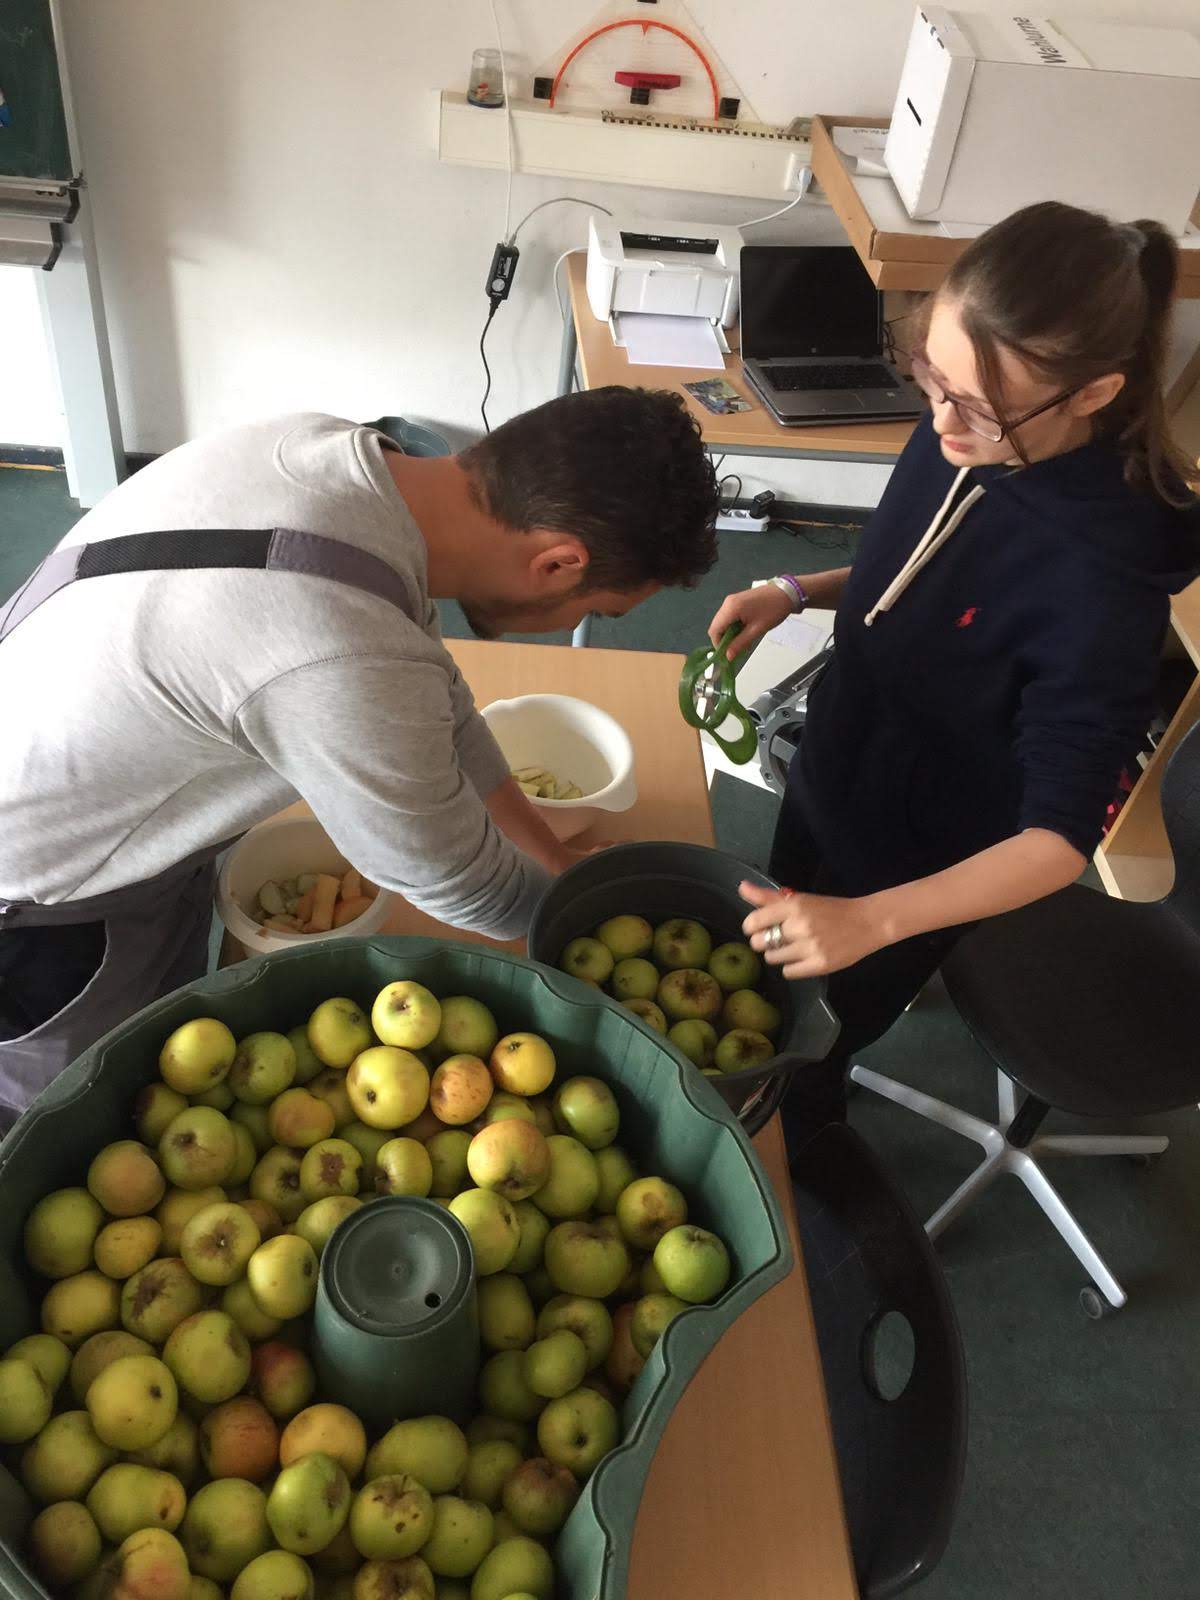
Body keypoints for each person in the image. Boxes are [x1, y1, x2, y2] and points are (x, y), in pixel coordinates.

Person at [0, 386, 718, 1126]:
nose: (581, 621)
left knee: (166, 1066)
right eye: (598, 611)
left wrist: (551, 856)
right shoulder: (335, 644)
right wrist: (586, 939)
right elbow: (446, 874)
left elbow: (435, 694)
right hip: (48, 895)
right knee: (71, 1116)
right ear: (559, 563)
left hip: (104, 774)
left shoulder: (337, 456)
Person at [709, 201, 1200, 1137]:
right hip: (842, 751)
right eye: (931, 373)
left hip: (921, 840)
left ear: (1093, 394)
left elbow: (1057, 843)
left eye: (971, 403)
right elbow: (935, 565)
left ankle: (807, 1116)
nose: (937, 418)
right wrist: (801, 586)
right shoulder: (972, 423)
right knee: (780, 931)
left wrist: (877, 921)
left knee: (826, 1017)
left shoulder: (1104, 584)